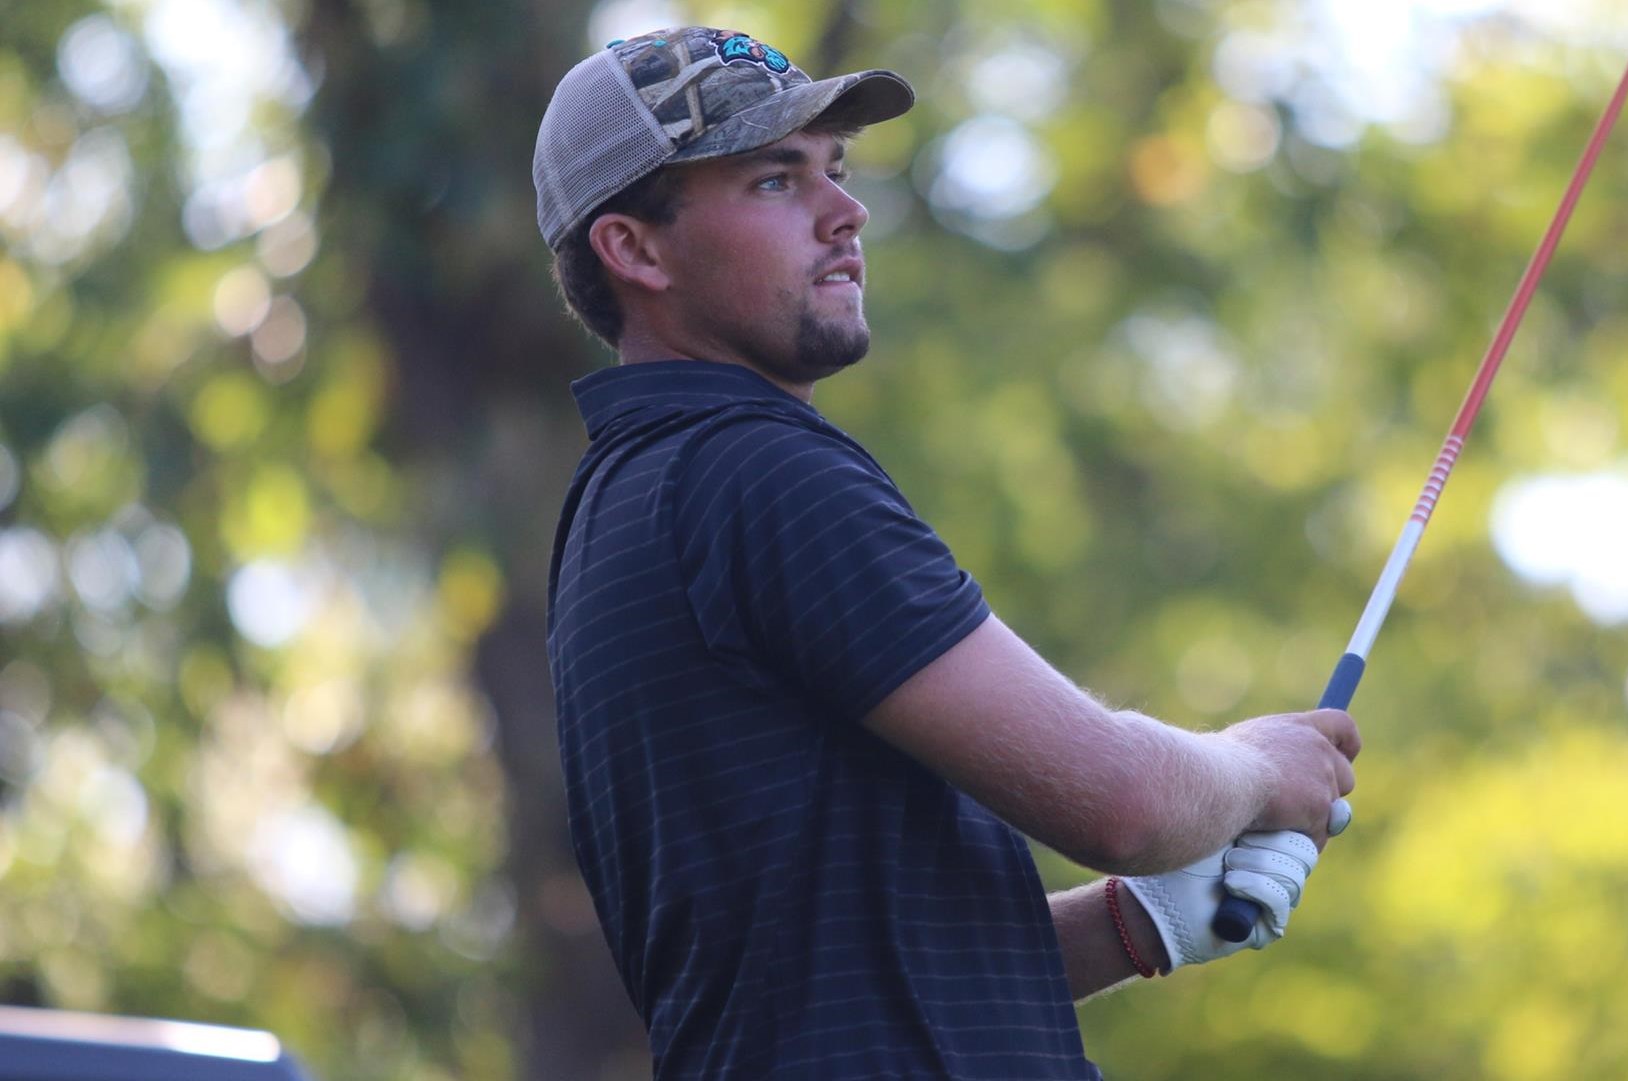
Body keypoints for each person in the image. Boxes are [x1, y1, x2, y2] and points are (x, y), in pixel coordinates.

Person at [535, 26, 1361, 1079]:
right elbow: (1126, 802)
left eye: (834, 170)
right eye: (775, 181)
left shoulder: (635, 495)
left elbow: (831, 983)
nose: (845, 212)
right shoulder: (754, 471)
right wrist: (1258, 765)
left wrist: (1137, 921)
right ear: (636, 250)